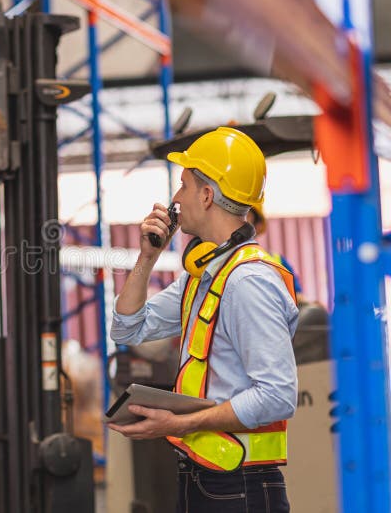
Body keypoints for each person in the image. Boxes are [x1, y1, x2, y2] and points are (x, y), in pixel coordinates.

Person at [109, 127, 299, 513]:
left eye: (183, 186)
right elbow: (127, 328)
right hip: (205, 473)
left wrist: (180, 424)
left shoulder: (248, 282)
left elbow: (278, 395)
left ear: (207, 195)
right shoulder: (203, 276)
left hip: (241, 484)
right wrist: (147, 257)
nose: (175, 199)